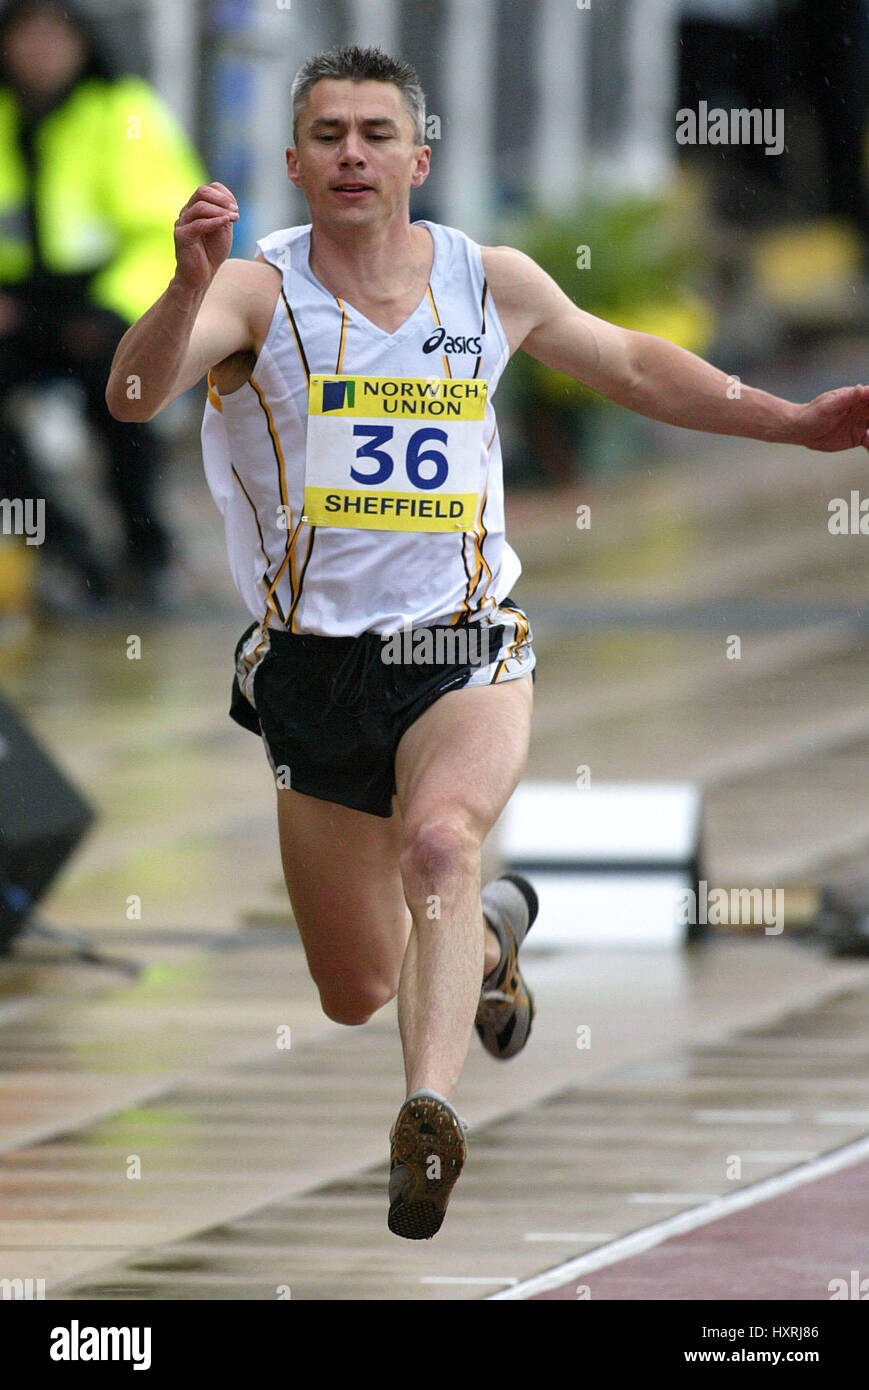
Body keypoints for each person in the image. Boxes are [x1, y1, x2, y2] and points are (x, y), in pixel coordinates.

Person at [106, 45, 869, 1240]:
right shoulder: (256, 294)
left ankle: (427, 1115)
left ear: (421, 155)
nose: (351, 153)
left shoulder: (487, 279)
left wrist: (793, 423)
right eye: (326, 134)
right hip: (312, 666)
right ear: (297, 162)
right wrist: (182, 281)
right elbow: (135, 397)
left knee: (440, 843)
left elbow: (625, 361)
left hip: (460, 642)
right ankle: (497, 934)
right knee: (355, 984)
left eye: (374, 132)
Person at [0, 0, 205, 611]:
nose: (40, 53)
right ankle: (63, 547)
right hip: (18, 305)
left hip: (107, 302)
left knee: (125, 415)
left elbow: (167, 228)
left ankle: (147, 557)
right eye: (25, 38)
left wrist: (110, 312)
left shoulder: (125, 112)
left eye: (53, 38)